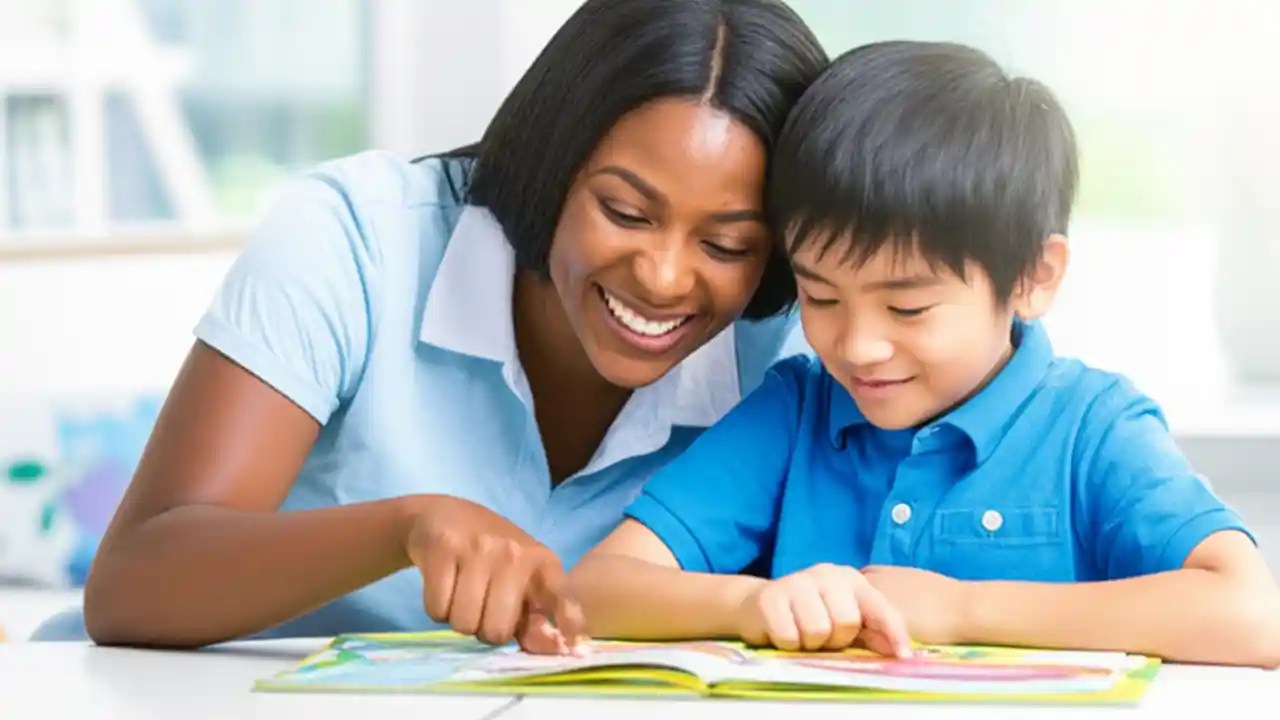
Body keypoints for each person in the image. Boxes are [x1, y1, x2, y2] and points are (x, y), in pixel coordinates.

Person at [37, 0, 828, 651]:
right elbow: (132, 583)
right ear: (555, 163)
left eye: (726, 245)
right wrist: (409, 527)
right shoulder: (357, 240)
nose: (661, 277)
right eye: (623, 211)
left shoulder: (794, 341)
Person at [571, 40, 1280, 668]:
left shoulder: (1094, 427)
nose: (858, 346)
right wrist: (754, 605)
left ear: (1033, 278)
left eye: (908, 307)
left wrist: (962, 609)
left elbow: (1253, 615)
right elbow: (596, 590)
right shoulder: (796, 411)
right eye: (821, 297)